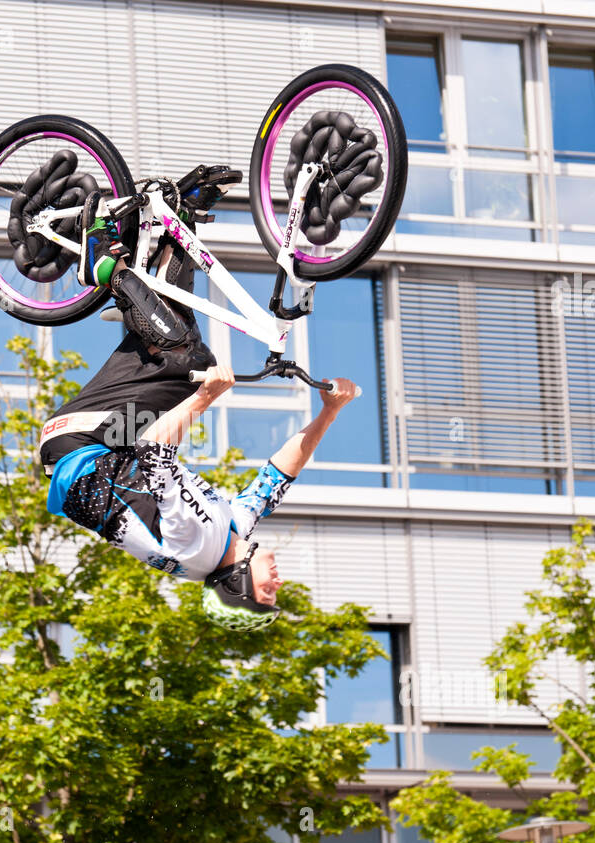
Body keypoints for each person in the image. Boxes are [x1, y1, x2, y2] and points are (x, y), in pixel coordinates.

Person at [37, 176, 359, 631]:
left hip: (81, 446)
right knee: (181, 355)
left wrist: (208, 397)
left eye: (267, 592)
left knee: (187, 361)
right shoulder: (229, 532)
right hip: (97, 447)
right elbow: (277, 475)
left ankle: (102, 266)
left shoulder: (198, 545)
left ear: (238, 585)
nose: (278, 584)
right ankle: (175, 225)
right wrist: (329, 412)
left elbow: (153, 451)